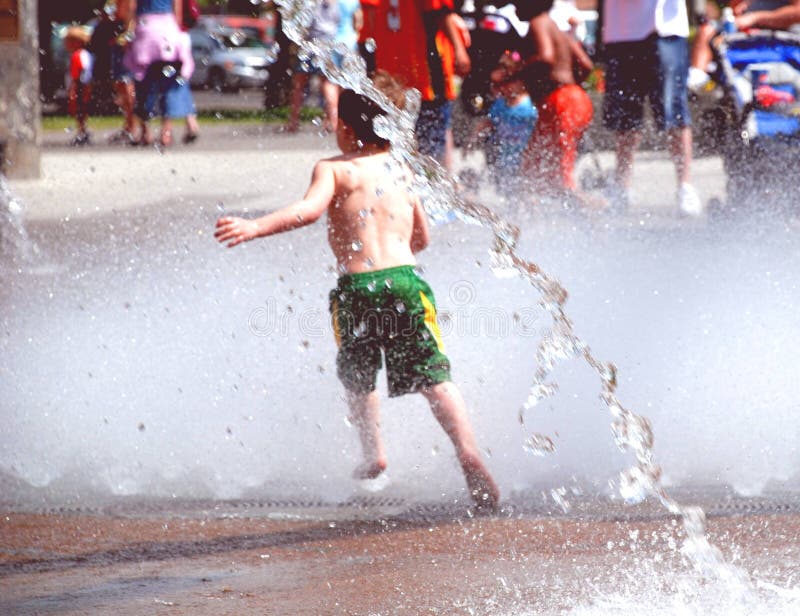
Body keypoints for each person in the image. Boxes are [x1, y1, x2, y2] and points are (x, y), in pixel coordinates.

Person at [215, 72, 500, 512]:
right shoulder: (403, 167)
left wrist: (255, 226)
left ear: (344, 127)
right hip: (405, 280)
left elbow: (308, 211)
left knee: (358, 373)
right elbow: (422, 236)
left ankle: (373, 454)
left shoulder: (334, 168)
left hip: (355, 287)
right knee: (434, 375)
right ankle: (467, 450)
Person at [601, 0, 704, 216]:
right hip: (622, 31)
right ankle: (622, 186)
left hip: (667, 29)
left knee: (675, 109)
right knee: (625, 116)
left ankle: (685, 186)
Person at [361, 0, 471, 170]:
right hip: (424, 75)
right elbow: (441, 12)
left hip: (390, 77)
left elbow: (369, 21)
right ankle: (436, 183)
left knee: (395, 140)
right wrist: (459, 49)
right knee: (432, 137)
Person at [513, 0, 595, 205]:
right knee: (534, 168)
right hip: (575, 99)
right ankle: (544, 219)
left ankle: (592, 214)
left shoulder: (537, 22)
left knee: (556, 175)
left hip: (561, 103)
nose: (515, 7)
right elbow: (586, 65)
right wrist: (571, 85)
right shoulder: (558, 28)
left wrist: (515, 73)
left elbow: (546, 56)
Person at [472, 51, 538, 195]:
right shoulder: (500, 105)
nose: (504, 88)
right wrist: (474, 138)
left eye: (508, 83)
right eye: (500, 85)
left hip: (524, 157)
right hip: (504, 156)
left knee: (524, 191)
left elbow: (538, 129)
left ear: (521, 82)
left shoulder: (530, 107)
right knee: (505, 191)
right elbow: (488, 122)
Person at [287, 0, 341, 133]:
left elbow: (303, 23)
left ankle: (293, 122)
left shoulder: (311, 2)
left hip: (311, 43)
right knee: (328, 83)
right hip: (328, 43)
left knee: (299, 84)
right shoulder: (335, 3)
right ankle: (334, 122)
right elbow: (339, 20)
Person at [89, 1, 136, 145]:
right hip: (120, 39)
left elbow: (121, 13)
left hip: (124, 41)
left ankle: (131, 127)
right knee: (122, 84)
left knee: (125, 83)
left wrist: (127, 33)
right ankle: (129, 126)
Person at [64, 26, 94, 147]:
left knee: (80, 111)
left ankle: (82, 132)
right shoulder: (85, 54)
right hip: (84, 85)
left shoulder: (77, 55)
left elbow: (80, 73)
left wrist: (74, 88)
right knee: (81, 111)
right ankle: (82, 131)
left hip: (80, 86)